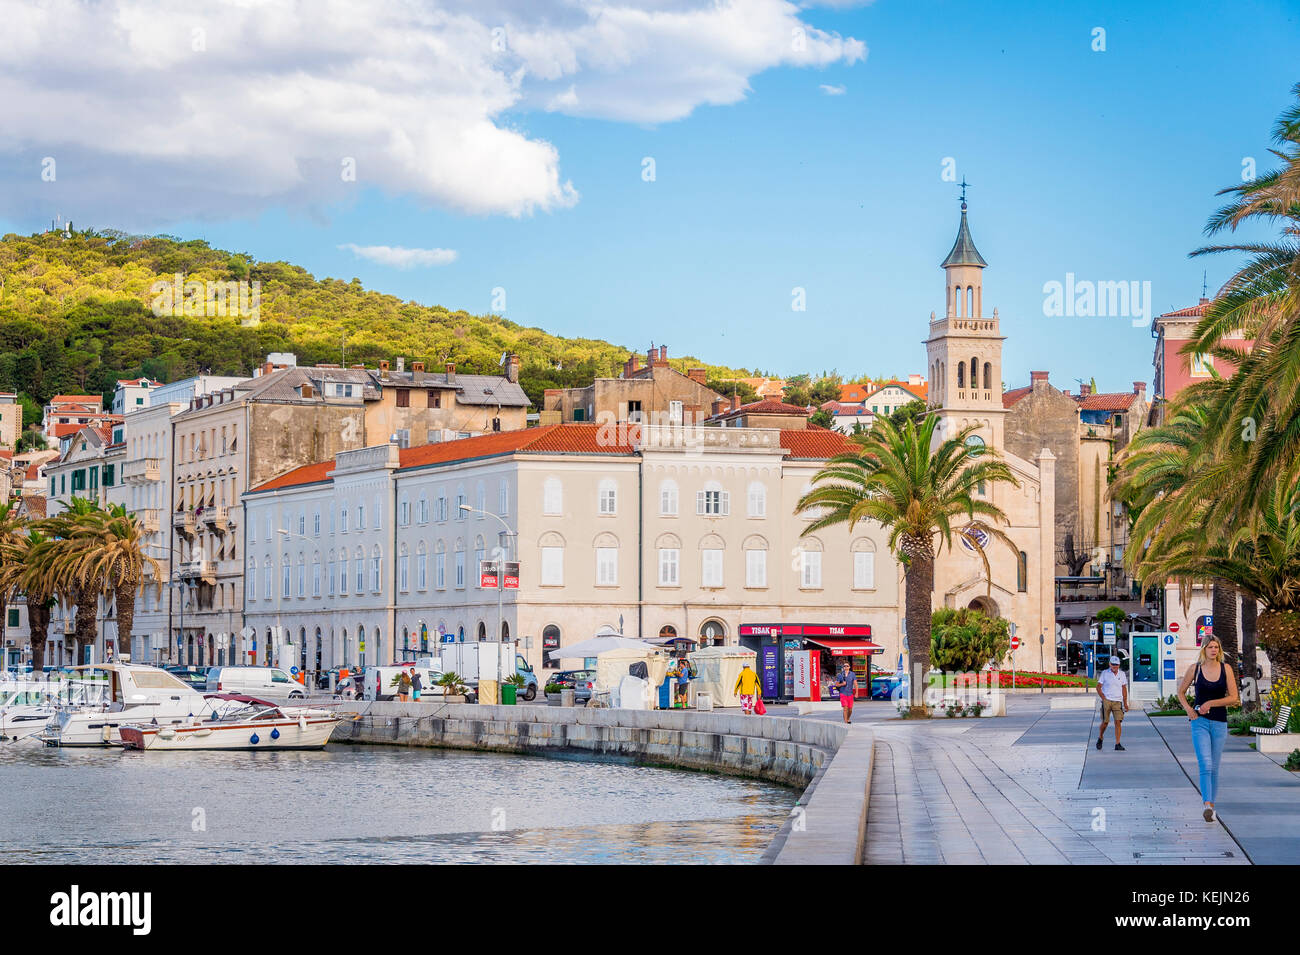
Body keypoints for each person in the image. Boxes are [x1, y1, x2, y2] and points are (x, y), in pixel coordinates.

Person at [1179, 636, 1239, 822]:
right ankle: (1208, 805)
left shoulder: (1225, 669)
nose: (1213, 650)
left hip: (1219, 723)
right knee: (1205, 763)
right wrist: (1189, 709)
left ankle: (1212, 805)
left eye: (1216, 647)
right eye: (1210, 647)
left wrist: (1212, 702)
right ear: (1204, 649)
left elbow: (1234, 697)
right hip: (1200, 723)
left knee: (1214, 766)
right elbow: (1180, 692)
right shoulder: (1195, 669)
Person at [1095, 655, 1128, 750]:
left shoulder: (1121, 674)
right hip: (1107, 700)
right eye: (1113, 664)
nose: (1115, 666)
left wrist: (1125, 703)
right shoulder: (1105, 673)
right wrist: (1103, 697)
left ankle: (1117, 743)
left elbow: (1124, 688)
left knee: (1118, 722)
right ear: (1110, 664)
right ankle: (1100, 737)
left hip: (1118, 701)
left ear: (1119, 665)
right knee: (1105, 722)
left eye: (1116, 665)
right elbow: (1098, 687)